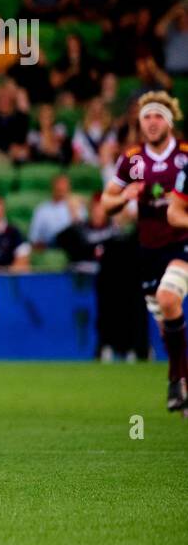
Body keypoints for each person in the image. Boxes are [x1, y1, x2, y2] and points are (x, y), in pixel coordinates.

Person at [106, 92, 188, 412]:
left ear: (169, 120)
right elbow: (106, 203)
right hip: (148, 249)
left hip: (181, 243)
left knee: (169, 299)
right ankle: (181, 386)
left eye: (158, 116)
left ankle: (173, 379)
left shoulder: (184, 156)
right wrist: (125, 196)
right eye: (146, 117)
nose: (152, 122)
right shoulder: (131, 159)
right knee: (166, 330)